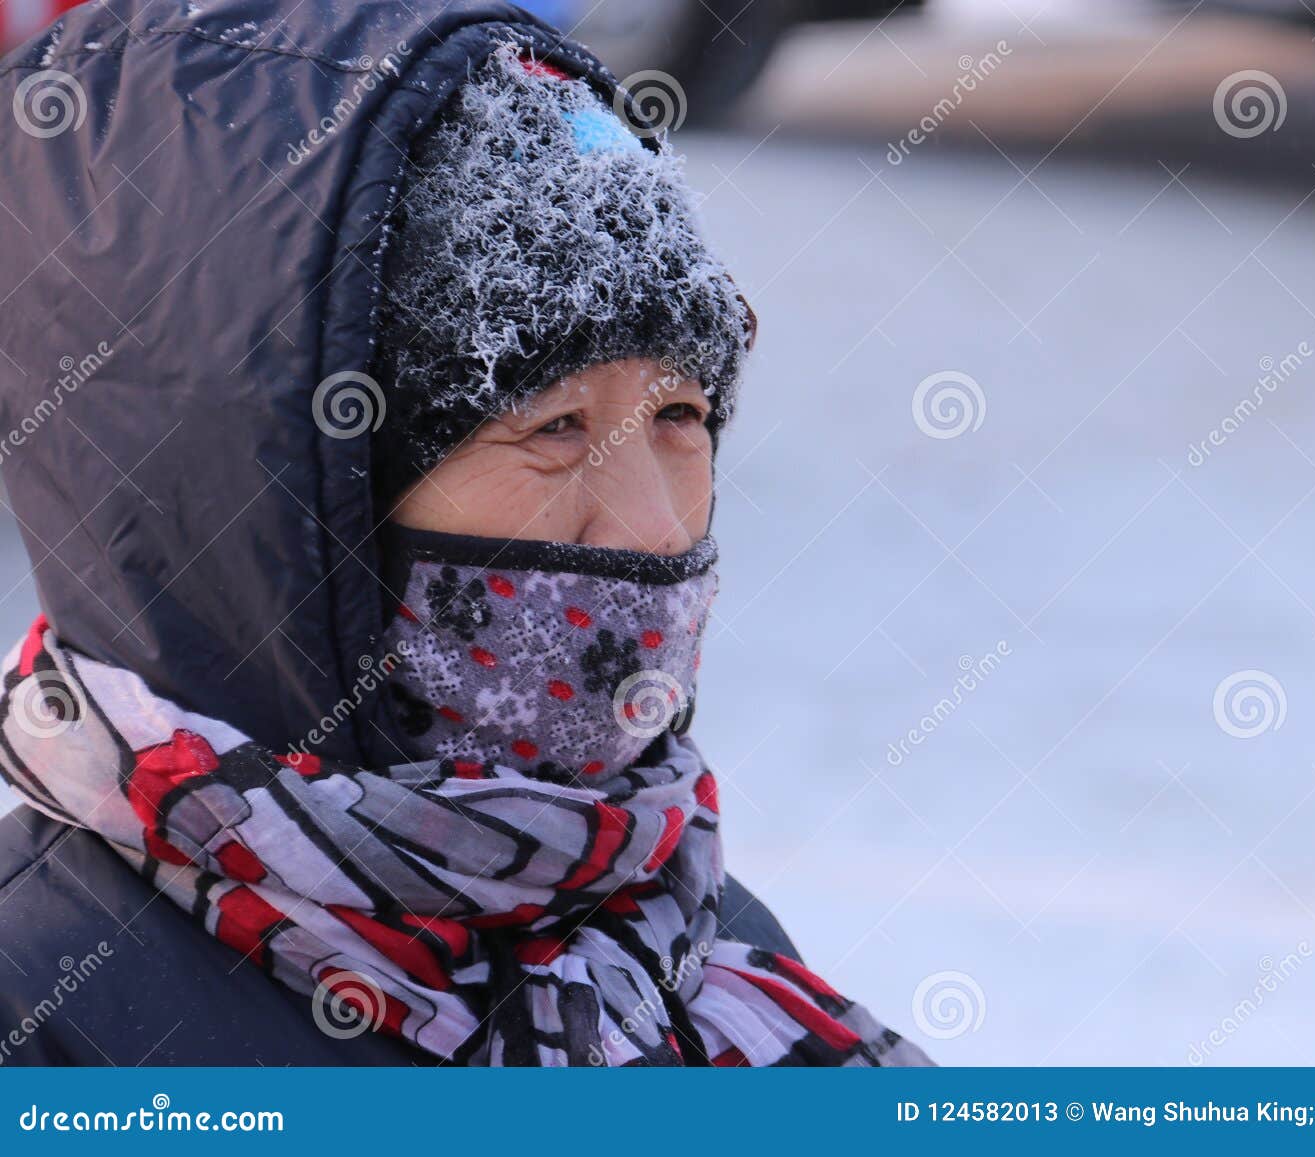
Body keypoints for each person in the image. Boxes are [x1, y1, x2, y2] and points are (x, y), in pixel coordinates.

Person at [0, 0, 930, 1067]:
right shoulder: (48, 1012)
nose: (654, 526)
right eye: (554, 427)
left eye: (679, 416)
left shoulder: (693, 933)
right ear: (288, 501)